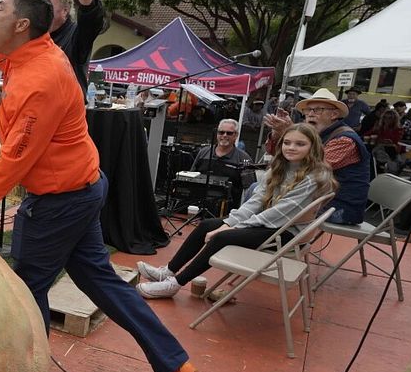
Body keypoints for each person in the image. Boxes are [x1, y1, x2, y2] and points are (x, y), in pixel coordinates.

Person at [0, 0, 197, 372]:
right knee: (101, 280)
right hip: (81, 188)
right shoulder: (26, 51)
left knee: (26, 290)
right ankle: (172, 362)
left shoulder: (38, 81)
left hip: (60, 201)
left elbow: (12, 164)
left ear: (22, 24)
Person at [138, 124, 336, 298]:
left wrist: (230, 230)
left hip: (286, 235)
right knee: (207, 225)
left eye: (300, 144)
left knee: (220, 238)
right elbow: (256, 201)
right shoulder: (280, 167)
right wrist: (229, 223)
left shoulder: (314, 176)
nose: (291, 148)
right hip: (271, 226)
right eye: (287, 143)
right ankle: (169, 271)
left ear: (313, 147)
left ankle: (176, 284)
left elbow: (278, 214)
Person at [266, 88, 369, 225]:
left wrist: (292, 133)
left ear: (334, 114)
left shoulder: (345, 140)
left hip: (339, 208)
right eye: (308, 111)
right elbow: (279, 156)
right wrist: (278, 134)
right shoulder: (317, 135)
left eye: (317, 110)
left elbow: (309, 168)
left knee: (266, 196)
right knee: (262, 190)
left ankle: (260, 239)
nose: (310, 114)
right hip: (316, 197)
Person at [41, 0, 105, 92]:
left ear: (65, 11)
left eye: (48, 7)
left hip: (65, 109)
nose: (42, 12)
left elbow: (91, 18)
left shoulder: (75, 35)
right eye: (40, 7)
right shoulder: (35, 35)